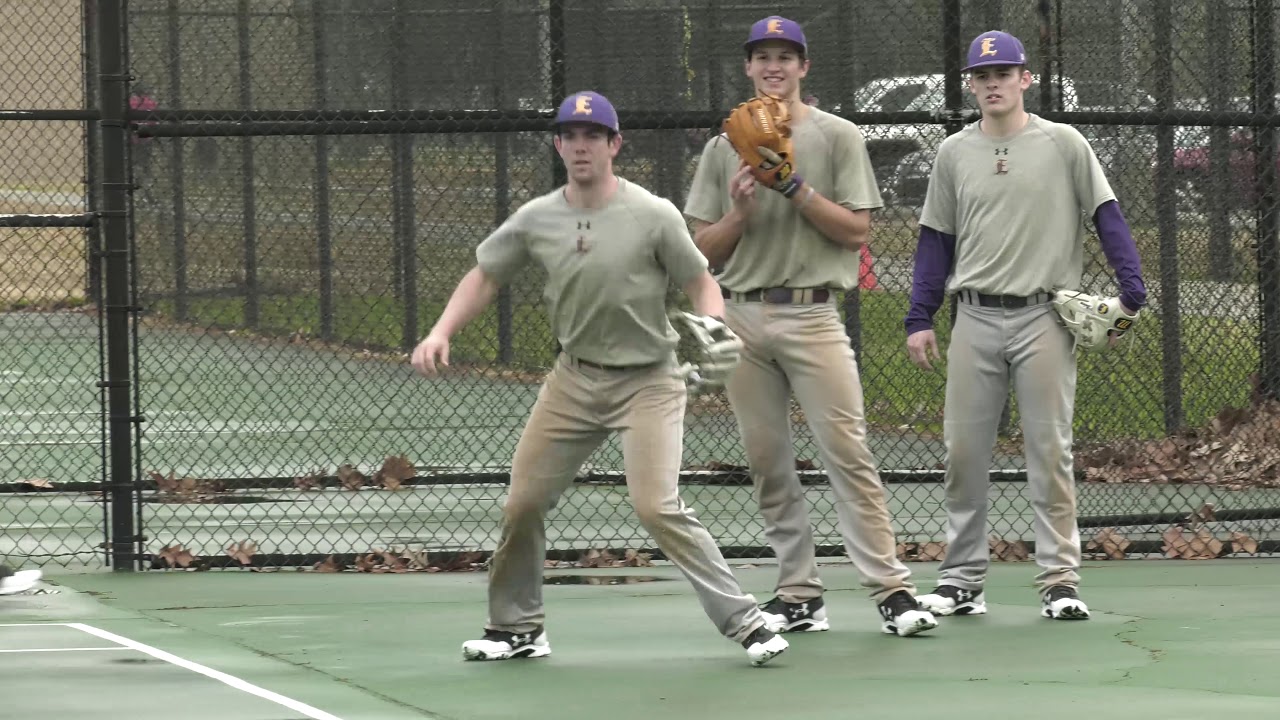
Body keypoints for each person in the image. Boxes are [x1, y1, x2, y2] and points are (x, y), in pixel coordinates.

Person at [411, 90, 789, 667]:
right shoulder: (538, 217)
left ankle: (746, 621)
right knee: (524, 503)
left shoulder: (652, 213)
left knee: (656, 506)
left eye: (593, 136)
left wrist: (714, 325)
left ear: (615, 145)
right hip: (573, 381)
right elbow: (485, 275)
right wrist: (441, 331)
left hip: (650, 381)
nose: (580, 146)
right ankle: (516, 629)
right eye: (569, 135)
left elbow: (700, 281)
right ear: (558, 145)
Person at [683, 15, 938, 638]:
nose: (774, 67)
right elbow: (702, 250)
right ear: (748, 67)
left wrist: (791, 185)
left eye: (785, 57)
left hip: (811, 313)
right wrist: (741, 211)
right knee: (769, 461)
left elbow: (856, 231)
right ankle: (798, 594)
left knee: (848, 452)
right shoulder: (724, 147)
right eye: (762, 57)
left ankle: (892, 591)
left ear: (804, 66)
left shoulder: (838, 136)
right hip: (742, 312)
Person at [904, 30, 1147, 620]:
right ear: (971, 83)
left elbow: (1105, 213)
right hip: (975, 317)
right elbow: (936, 239)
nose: (993, 83)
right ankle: (962, 579)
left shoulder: (1063, 143)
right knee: (964, 451)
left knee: (1049, 448)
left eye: (1004, 73)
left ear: (1025, 79)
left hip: (1044, 315)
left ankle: (1059, 580)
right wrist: (920, 315)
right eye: (983, 75)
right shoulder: (953, 152)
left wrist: (1131, 285)